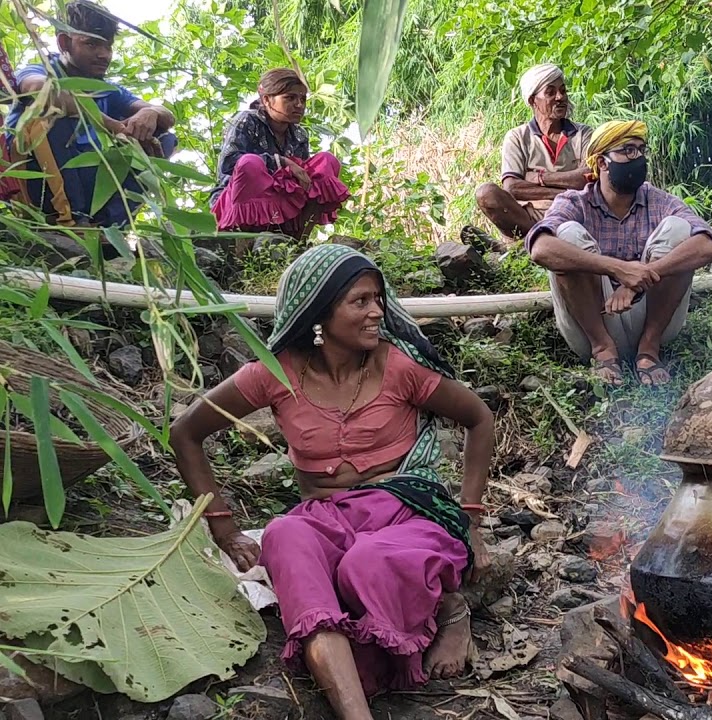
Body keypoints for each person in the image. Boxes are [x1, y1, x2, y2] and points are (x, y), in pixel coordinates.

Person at [170, 245, 494, 720]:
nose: (376, 312)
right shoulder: (274, 371)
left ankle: (451, 611)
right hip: (324, 516)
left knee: (366, 563)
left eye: (378, 299)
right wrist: (223, 529)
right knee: (283, 533)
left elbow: (479, 417)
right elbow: (186, 432)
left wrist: (471, 519)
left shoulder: (398, 366)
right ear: (318, 313)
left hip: (407, 512)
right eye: (359, 302)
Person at [526, 120, 712, 387]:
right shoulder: (574, 202)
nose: (637, 158)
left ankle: (649, 350)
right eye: (628, 150)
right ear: (602, 163)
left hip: (651, 318)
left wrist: (640, 277)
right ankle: (603, 350)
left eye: (641, 150)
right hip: (592, 323)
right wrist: (618, 269)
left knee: (679, 230)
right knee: (567, 234)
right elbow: (540, 248)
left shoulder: (659, 200)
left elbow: (708, 245)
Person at [1, 1, 177, 228]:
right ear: (64, 42)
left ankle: (109, 224)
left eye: (108, 46)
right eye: (92, 44)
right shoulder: (41, 70)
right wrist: (112, 124)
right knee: (54, 115)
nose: (104, 55)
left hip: (88, 182)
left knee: (163, 137)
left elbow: (167, 117)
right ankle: (70, 219)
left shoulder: (107, 88)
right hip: (39, 184)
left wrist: (150, 113)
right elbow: (39, 90)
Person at [211, 68, 349, 243]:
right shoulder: (247, 120)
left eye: (302, 99)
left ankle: (297, 242)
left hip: (281, 205)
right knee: (250, 164)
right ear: (267, 100)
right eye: (290, 98)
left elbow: (304, 181)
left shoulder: (299, 135)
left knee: (326, 162)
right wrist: (281, 161)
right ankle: (241, 243)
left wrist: (291, 169)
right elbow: (229, 163)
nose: (299, 105)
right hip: (235, 203)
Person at [474, 63, 593, 244]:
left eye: (563, 91)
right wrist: (566, 189)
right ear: (532, 101)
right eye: (550, 92)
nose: (560, 97)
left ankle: (533, 243)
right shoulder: (517, 137)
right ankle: (538, 238)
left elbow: (586, 179)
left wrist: (540, 178)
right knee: (486, 193)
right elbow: (512, 188)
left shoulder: (584, 134)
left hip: (575, 211)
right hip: (528, 217)